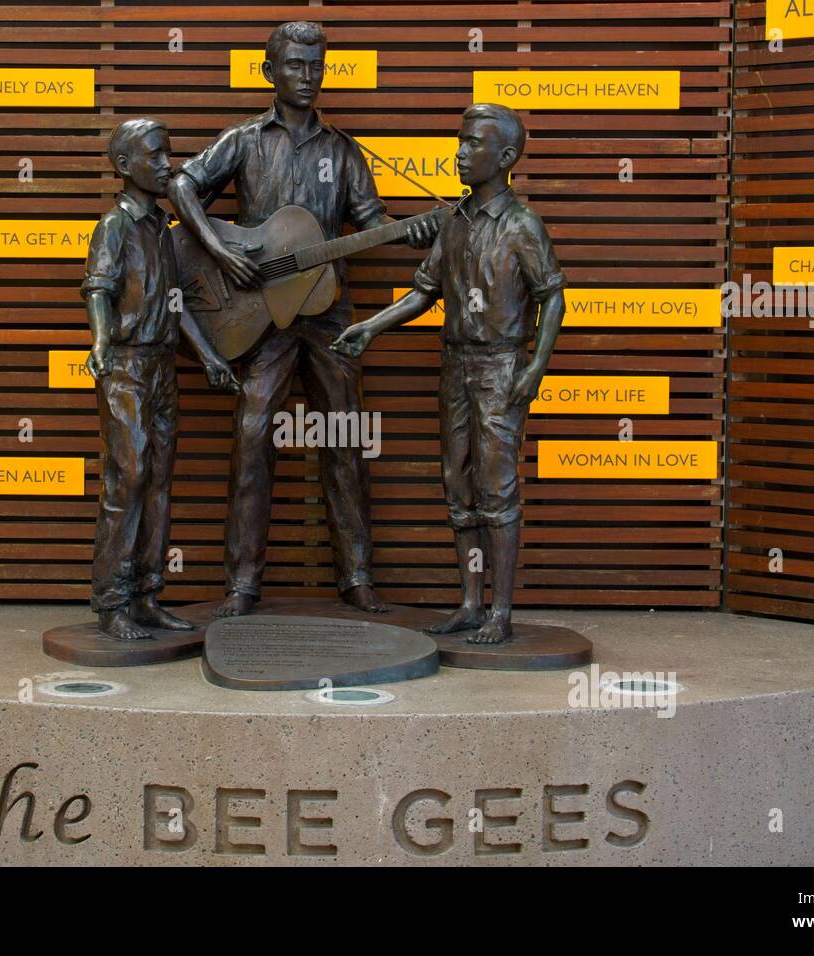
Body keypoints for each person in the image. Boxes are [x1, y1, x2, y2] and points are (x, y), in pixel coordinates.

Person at [168, 20, 438, 618]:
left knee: (345, 438)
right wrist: (219, 250)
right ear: (270, 72)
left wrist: (410, 232)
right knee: (251, 438)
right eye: (295, 65)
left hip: (328, 316)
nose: (309, 76)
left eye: (317, 66)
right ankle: (241, 584)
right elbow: (181, 184)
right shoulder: (242, 142)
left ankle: (357, 577)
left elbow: (369, 221)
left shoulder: (343, 151)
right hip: (260, 318)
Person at [332, 104, 567, 644]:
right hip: (455, 364)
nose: (459, 152)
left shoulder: (522, 225)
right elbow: (423, 292)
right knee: (456, 483)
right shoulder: (454, 222)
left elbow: (552, 296)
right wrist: (371, 327)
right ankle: (469, 601)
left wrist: (534, 367)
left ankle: (500, 612)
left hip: (500, 365)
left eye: (471, 144)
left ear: (505, 158)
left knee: (496, 487)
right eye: (458, 141)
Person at [83, 117, 239, 640]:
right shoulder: (116, 226)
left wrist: (210, 357)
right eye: (154, 156)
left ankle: (147, 596)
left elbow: (177, 308)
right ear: (125, 166)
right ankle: (112, 602)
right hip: (126, 366)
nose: (166, 164)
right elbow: (98, 289)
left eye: (167, 154)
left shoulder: (163, 232)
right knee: (127, 479)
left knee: (158, 482)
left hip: (163, 368)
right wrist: (102, 340)